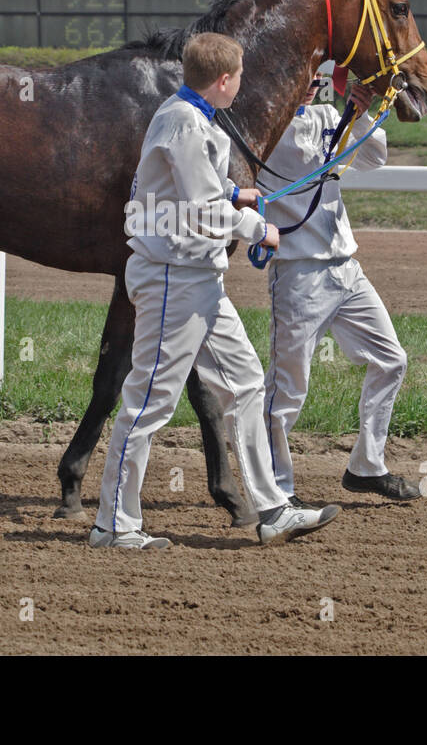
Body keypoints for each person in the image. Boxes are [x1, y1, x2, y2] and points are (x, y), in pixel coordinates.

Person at [90, 32, 342, 549]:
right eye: (241, 76)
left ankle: (272, 508)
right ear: (224, 80)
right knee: (149, 403)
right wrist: (256, 227)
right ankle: (113, 526)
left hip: (196, 278)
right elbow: (202, 209)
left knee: (247, 383)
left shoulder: (187, 114)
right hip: (172, 278)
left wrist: (234, 191)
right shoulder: (183, 120)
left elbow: (189, 183)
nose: (243, 83)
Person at [259, 65, 421, 506]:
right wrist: (349, 113)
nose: (312, 85)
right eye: (305, 77)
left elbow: (374, 158)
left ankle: (367, 466)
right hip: (298, 276)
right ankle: (275, 490)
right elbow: (309, 158)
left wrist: (361, 113)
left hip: (346, 268)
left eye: (318, 78)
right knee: (288, 389)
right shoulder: (269, 125)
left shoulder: (332, 116)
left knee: (391, 359)